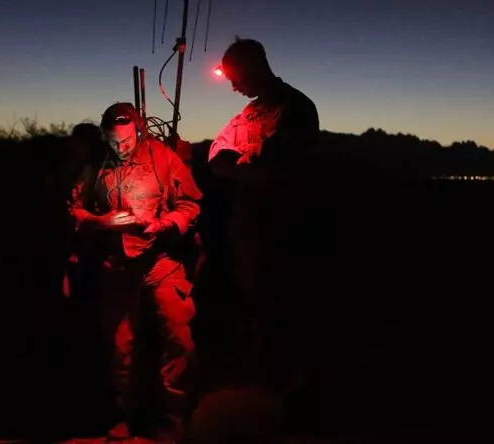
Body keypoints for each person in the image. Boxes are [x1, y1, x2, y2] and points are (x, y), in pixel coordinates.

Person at [68, 102, 202, 442]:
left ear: (139, 131)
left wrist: (162, 224)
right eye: (114, 141)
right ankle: (126, 415)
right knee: (120, 345)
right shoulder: (97, 164)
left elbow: (190, 203)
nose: (121, 147)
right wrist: (101, 221)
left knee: (177, 338)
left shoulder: (161, 157)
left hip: (161, 262)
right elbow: (74, 210)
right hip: (117, 265)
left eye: (126, 141)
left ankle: (175, 418)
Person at [207, 37, 320, 390]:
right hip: (247, 229)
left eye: (235, 78)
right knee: (252, 306)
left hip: (283, 229)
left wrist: (241, 166)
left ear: (254, 66)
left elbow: (277, 170)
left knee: (282, 310)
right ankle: (262, 385)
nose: (233, 87)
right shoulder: (248, 114)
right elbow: (216, 155)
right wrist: (244, 164)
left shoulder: (295, 109)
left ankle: (287, 394)